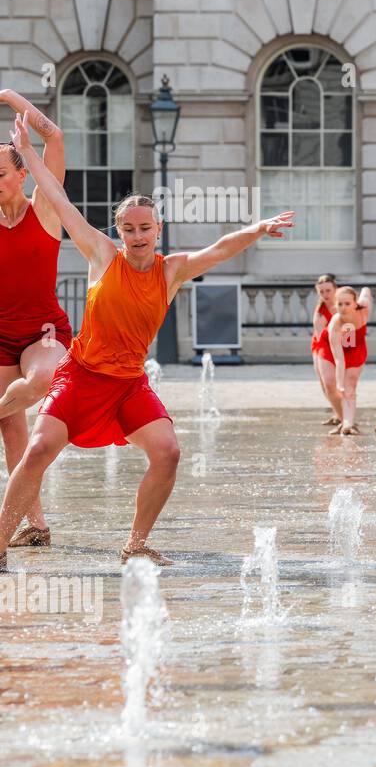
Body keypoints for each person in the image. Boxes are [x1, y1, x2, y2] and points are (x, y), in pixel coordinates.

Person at [0, 111, 292, 570]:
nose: (137, 236)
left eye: (145, 228)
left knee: (168, 451)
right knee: (37, 450)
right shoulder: (101, 253)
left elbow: (217, 250)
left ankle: (136, 542)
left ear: (159, 231)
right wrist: (32, 156)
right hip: (80, 377)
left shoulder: (171, 270)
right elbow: (57, 197)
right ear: (120, 232)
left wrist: (257, 230)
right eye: (129, 229)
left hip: (128, 385)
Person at [0, 90, 70, 550]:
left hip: (44, 331)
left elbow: (56, 137)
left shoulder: (45, 209)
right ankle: (34, 523)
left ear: (23, 174)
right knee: (13, 430)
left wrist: (10, 98)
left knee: (45, 378)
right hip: (0, 338)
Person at [321, 286, 372, 436]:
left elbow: (366, 291)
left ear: (355, 303)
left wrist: (365, 291)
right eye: (340, 304)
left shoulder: (364, 308)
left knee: (351, 384)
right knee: (337, 386)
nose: (343, 308)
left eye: (347, 303)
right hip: (337, 350)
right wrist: (339, 384)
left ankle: (348, 424)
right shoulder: (335, 324)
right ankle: (345, 422)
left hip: (357, 347)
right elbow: (339, 359)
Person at [310, 273, 343, 427]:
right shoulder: (319, 311)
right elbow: (318, 335)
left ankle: (344, 415)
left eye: (328, 290)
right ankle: (336, 413)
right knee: (325, 383)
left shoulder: (343, 305)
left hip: (340, 345)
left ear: (335, 289)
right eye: (321, 291)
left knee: (336, 382)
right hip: (321, 345)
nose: (325, 294)